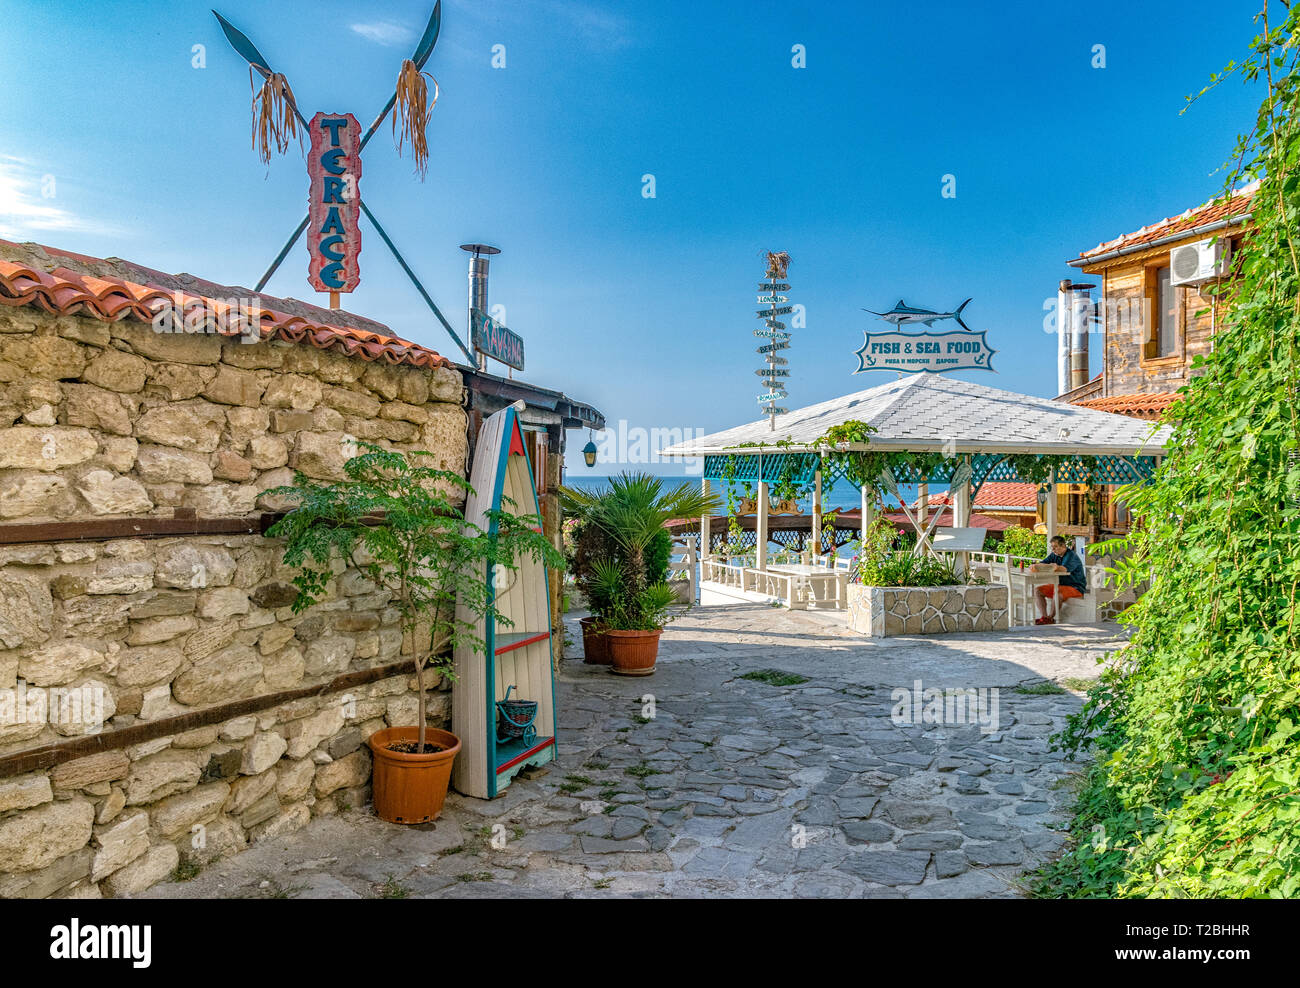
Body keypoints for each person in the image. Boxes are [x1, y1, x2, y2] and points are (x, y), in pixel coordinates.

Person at [1034, 535, 1087, 625]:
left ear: (1063, 546)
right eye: (1052, 547)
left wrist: (1053, 567)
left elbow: (1063, 569)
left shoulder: (1071, 556)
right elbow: (1043, 563)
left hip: (1075, 587)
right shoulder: (1054, 555)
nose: (1053, 549)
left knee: (1057, 593)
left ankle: (1051, 618)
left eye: (1055, 547)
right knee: (1038, 590)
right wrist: (1036, 566)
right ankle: (1045, 617)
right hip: (1059, 585)